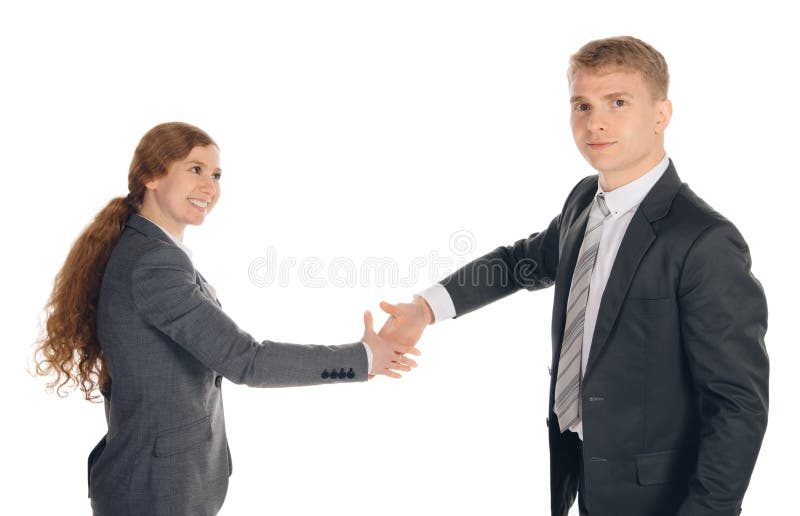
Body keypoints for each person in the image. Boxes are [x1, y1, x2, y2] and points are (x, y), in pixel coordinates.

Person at [378, 36, 768, 516]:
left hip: (661, 498)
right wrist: (424, 308)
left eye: (617, 103)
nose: (595, 122)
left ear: (662, 115)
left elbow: (737, 404)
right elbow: (518, 263)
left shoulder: (704, 240)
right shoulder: (586, 200)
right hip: (581, 475)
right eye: (581, 105)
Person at [33, 122, 420, 516]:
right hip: (154, 491)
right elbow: (246, 361)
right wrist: (363, 357)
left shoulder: (149, 250)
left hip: (163, 480)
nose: (210, 187)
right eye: (195, 169)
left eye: (216, 175)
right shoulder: (154, 263)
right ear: (149, 177)